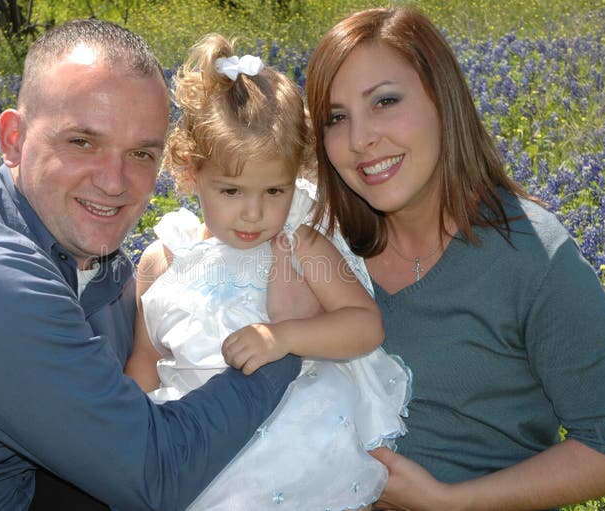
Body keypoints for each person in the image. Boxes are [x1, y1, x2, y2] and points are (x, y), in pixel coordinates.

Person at [0, 19, 304, 511]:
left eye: (141, 153)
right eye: (82, 142)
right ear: (14, 139)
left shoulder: (97, 263)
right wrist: (294, 344)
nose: (113, 181)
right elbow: (157, 472)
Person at [302, 6, 605, 510]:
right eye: (336, 118)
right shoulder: (321, 247)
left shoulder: (532, 255)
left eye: (385, 101)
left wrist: (451, 502)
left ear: (443, 100)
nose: (360, 140)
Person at [123, 33, 410, 510]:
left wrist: (283, 337)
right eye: (232, 192)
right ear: (192, 173)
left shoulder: (299, 242)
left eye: (273, 192)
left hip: (297, 449)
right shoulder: (164, 258)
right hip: (199, 447)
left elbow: (365, 324)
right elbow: (144, 362)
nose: (254, 214)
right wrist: (129, 442)